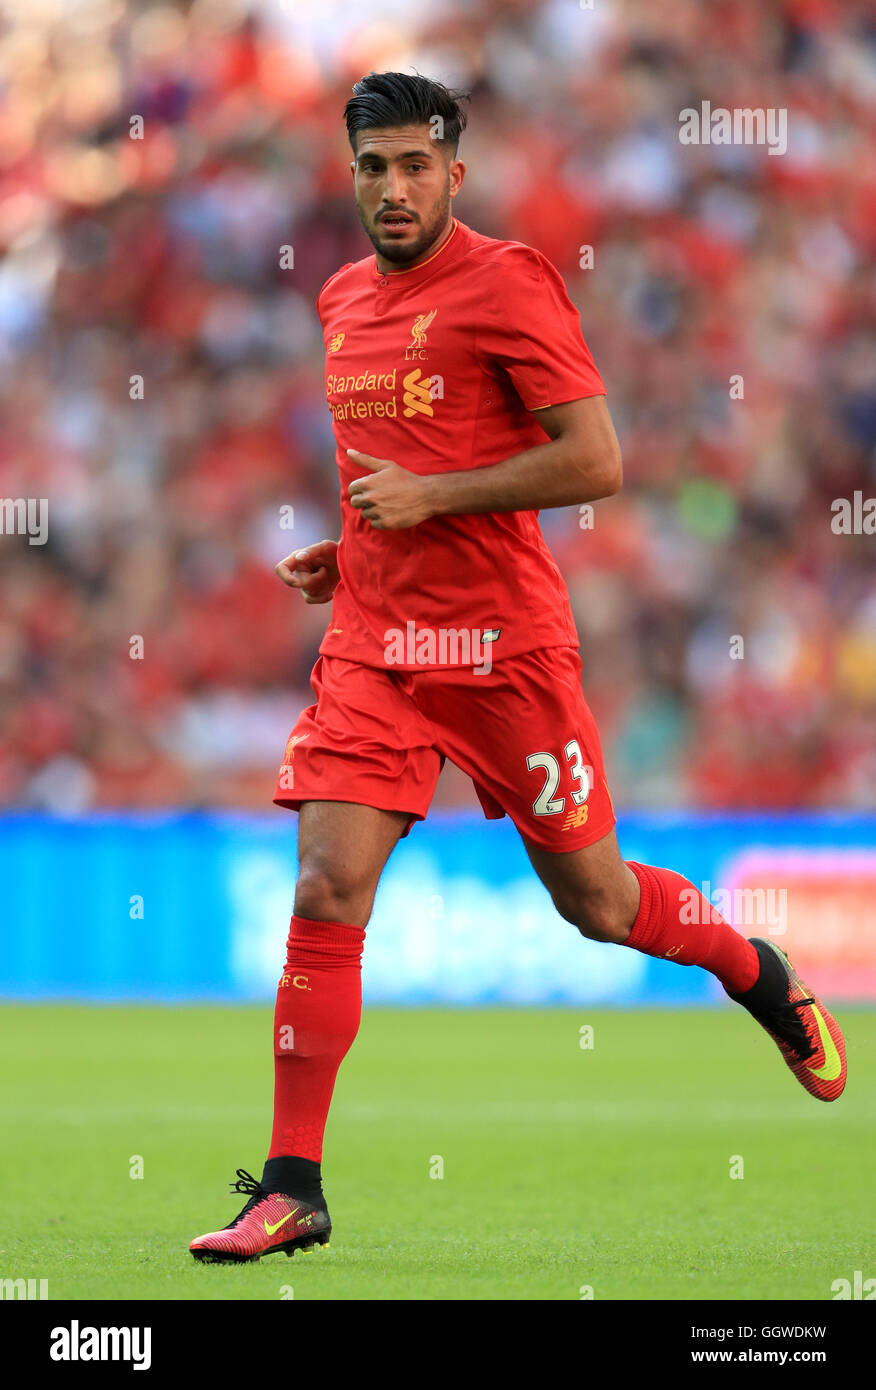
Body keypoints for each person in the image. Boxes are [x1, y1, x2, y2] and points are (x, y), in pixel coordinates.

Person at [189, 72, 846, 1264]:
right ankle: (292, 1184)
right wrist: (357, 550)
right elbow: (407, 460)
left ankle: (759, 970)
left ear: (456, 170)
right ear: (351, 173)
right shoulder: (339, 300)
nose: (395, 188)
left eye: (415, 166)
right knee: (325, 887)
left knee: (595, 904)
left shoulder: (506, 282)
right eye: (374, 166)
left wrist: (434, 499)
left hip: (504, 652)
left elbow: (595, 460)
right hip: (378, 648)